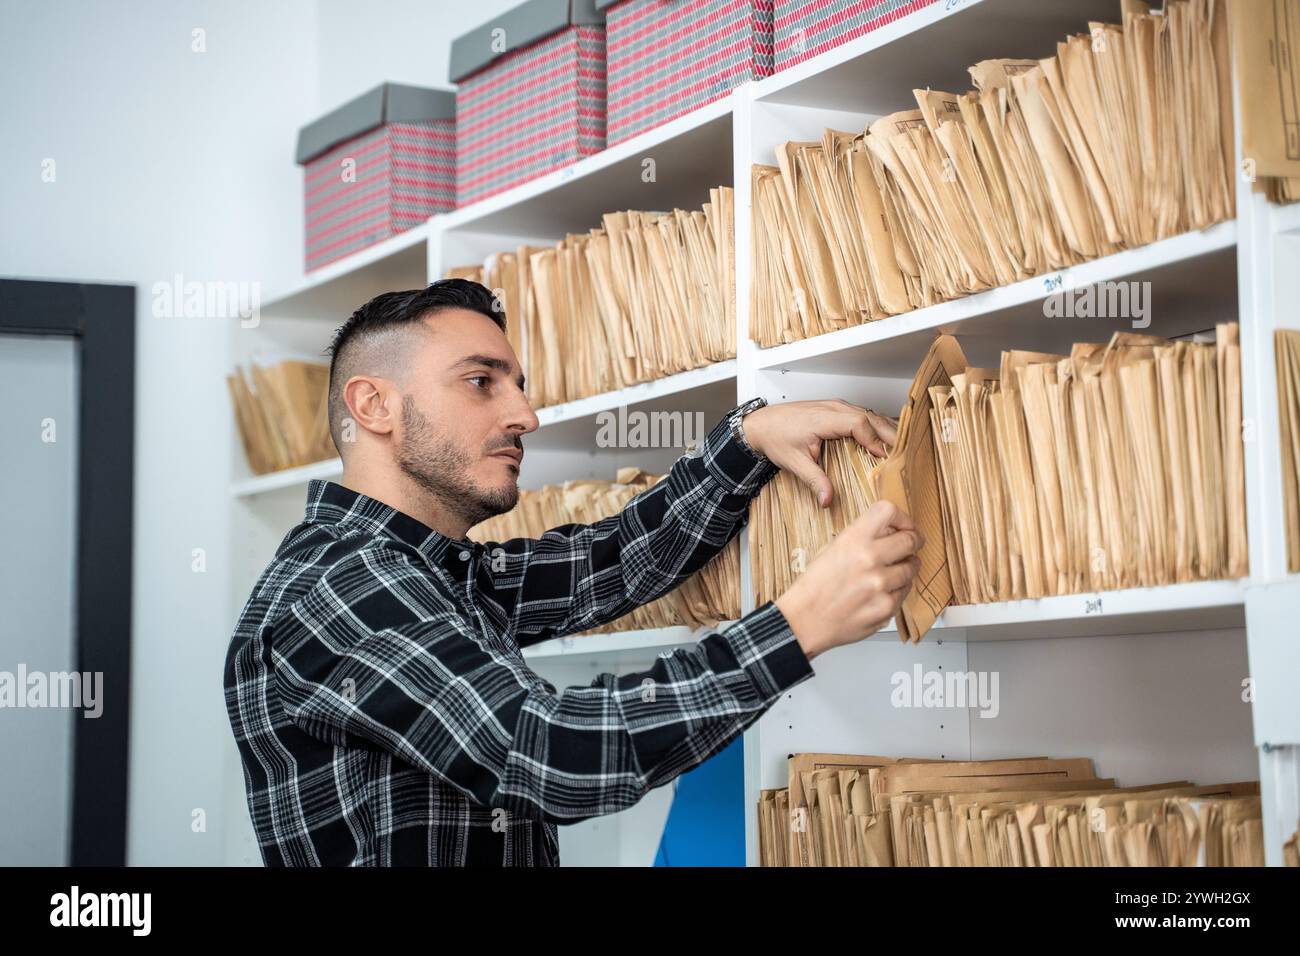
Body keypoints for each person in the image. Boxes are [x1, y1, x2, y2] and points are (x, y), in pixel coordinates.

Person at [223, 279, 922, 866]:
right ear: (373, 407)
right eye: (479, 382)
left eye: (518, 387)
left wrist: (748, 439)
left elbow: (611, 560)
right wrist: (796, 627)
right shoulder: (338, 588)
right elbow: (552, 750)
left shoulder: (429, 573)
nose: (524, 414)